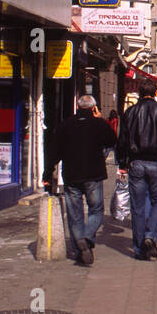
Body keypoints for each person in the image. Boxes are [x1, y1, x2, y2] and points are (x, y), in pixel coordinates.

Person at [42, 95, 118, 265]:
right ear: (94, 108)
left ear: (78, 107)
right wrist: (101, 120)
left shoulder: (65, 125)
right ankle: (87, 237)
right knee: (96, 210)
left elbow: (54, 151)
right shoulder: (98, 124)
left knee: (75, 214)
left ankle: (79, 250)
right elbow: (113, 140)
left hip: (71, 176)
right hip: (93, 174)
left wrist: (47, 173)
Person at [116, 81, 157, 260]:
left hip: (135, 163)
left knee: (137, 206)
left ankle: (138, 249)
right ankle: (150, 235)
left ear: (139, 92)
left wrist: (122, 163)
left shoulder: (130, 112)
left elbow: (122, 140)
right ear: (155, 92)